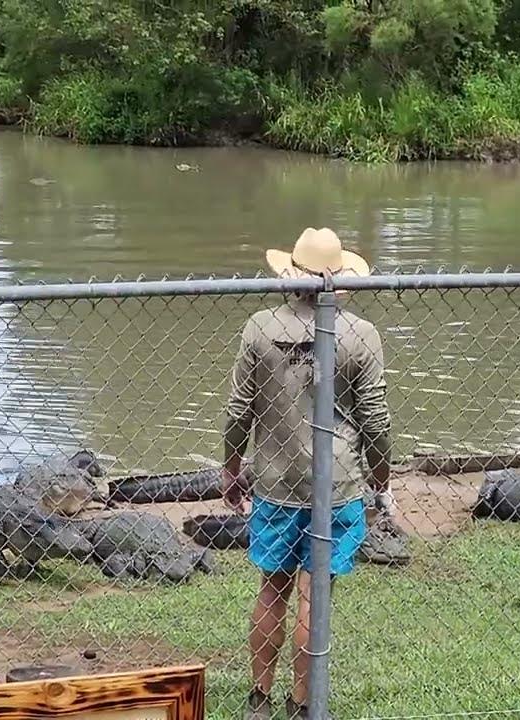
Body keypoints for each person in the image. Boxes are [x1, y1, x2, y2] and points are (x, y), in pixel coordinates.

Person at [221, 227, 395, 720]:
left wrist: (231, 468)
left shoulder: (259, 328)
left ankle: (260, 699)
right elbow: (376, 419)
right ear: (339, 281)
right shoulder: (360, 334)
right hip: (338, 484)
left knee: (271, 588)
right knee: (313, 597)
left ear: (290, 276)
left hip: (275, 481)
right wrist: (381, 479)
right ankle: (303, 706)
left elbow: (239, 411)